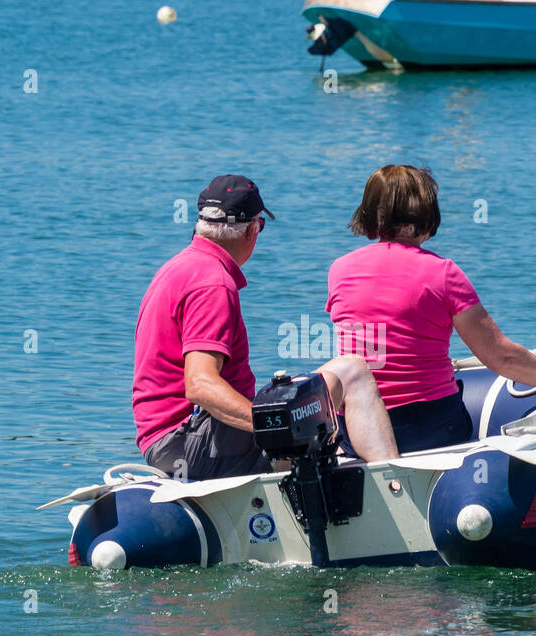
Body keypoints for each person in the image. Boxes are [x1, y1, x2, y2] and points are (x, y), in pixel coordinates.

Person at [132, 174, 399, 480]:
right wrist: (272, 424)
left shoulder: (179, 267)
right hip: (190, 444)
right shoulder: (213, 282)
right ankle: (395, 489)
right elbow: (200, 384)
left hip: (167, 442)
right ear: (251, 230)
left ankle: (296, 481)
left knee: (299, 406)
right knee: (351, 372)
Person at [326, 164, 536, 454]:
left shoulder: (340, 270)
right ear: (426, 212)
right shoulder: (442, 273)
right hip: (428, 427)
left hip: (357, 430)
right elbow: (501, 356)